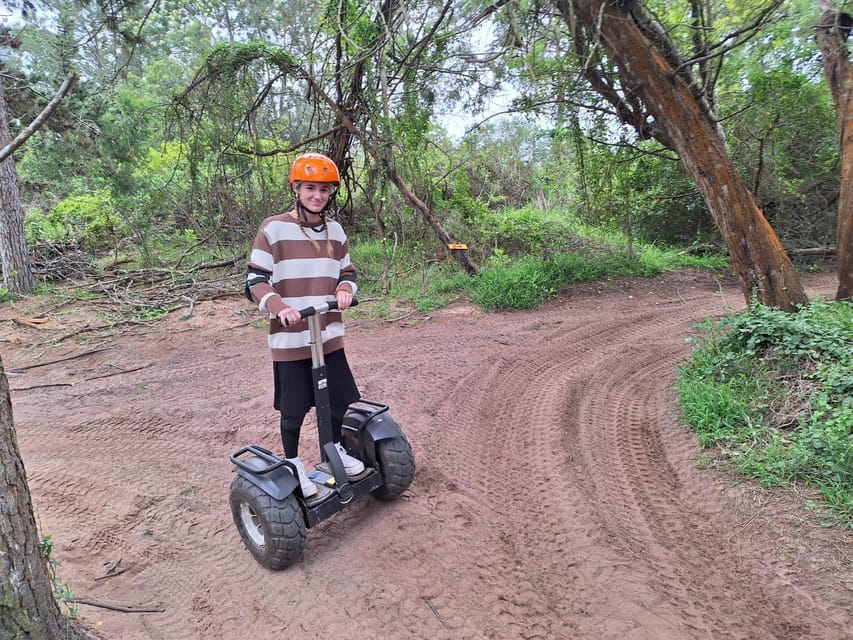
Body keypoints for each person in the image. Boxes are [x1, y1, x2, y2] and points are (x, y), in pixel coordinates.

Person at [244, 152, 364, 498]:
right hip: (291, 336)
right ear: (296, 188)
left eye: (324, 190)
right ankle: (293, 461)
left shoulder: (336, 231)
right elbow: (255, 281)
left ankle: (335, 449)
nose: (318, 196)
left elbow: (347, 272)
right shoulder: (274, 228)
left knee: (340, 399)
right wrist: (280, 307)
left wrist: (344, 289)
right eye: (310, 188)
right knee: (294, 408)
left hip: (327, 333)